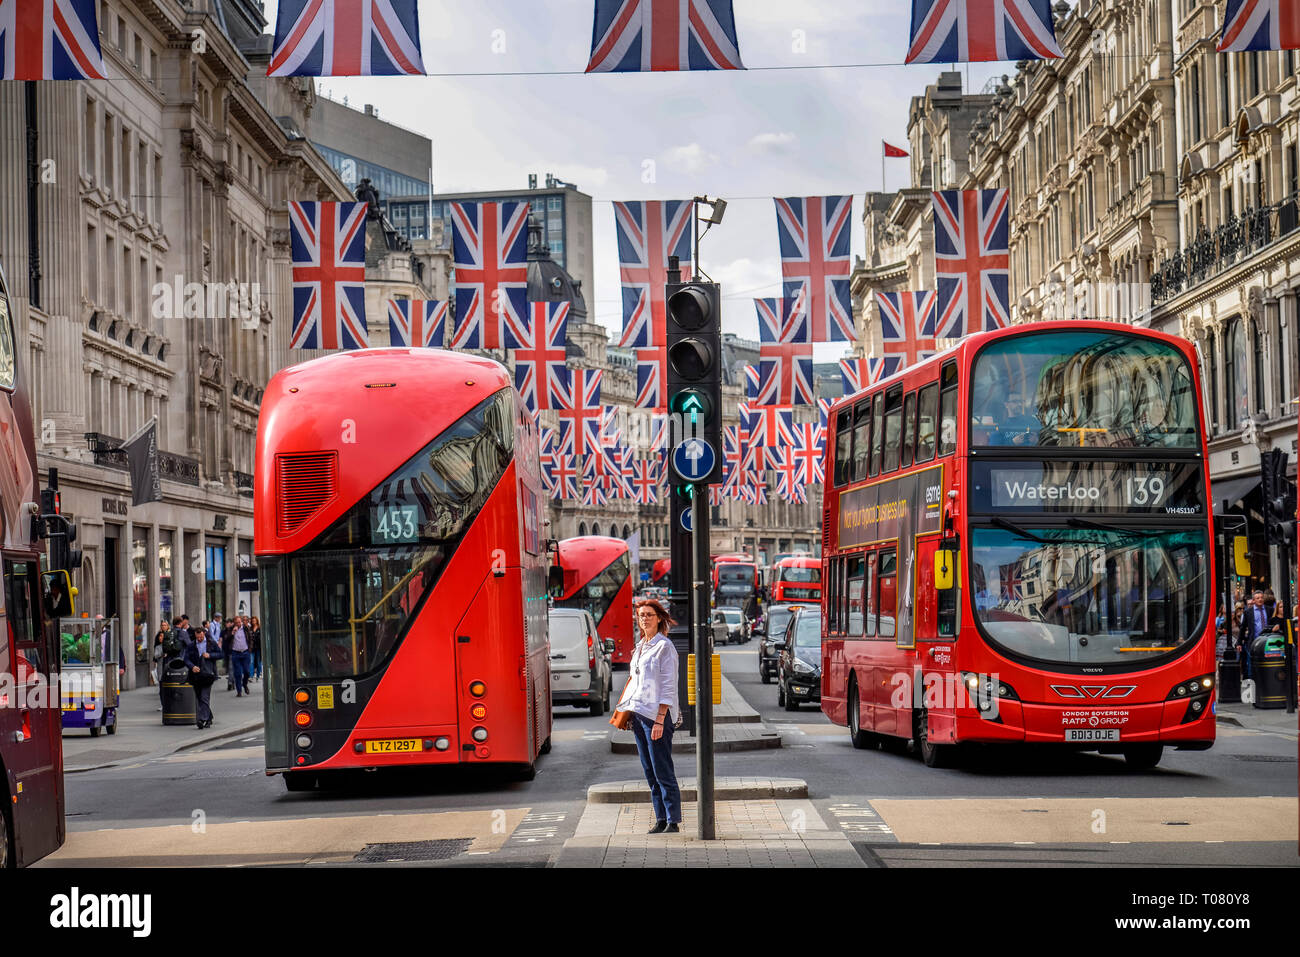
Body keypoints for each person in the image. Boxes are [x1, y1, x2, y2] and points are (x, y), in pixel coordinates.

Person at [616, 598, 681, 834]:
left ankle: (673, 820)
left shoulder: (665, 647)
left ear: (659, 618)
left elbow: (668, 686)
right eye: (641, 615)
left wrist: (661, 719)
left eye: (649, 615)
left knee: (663, 769)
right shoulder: (641, 646)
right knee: (649, 770)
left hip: (657, 717)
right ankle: (660, 818)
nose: (644, 618)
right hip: (639, 715)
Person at [183, 627, 222, 729]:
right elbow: (186, 659)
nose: (199, 639)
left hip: (208, 674)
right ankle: (209, 718)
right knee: (200, 697)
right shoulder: (191, 645)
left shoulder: (211, 643)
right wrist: (192, 667)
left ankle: (201, 719)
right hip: (196, 675)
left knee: (205, 697)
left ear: (204, 634)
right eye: (197, 637)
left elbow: (220, 654)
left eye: (201, 637)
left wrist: (210, 655)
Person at [229, 616, 251, 696]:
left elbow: (250, 638)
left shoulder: (245, 628)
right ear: (234, 623)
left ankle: (244, 684)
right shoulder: (231, 629)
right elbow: (227, 639)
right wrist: (232, 633)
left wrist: (249, 649)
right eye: (236, 622)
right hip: (236, 653)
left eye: (239, 622)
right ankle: (239, 691)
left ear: (241, 622)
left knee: (247, 671)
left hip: (245, 652)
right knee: (237, 673)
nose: (238, 624)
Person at [249, 616, 263, 681]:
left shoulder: (260, 628)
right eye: (252, 621)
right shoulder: (250, 628)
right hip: (252, 647)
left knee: (258, 661)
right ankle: (251, 676)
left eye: (254, 621)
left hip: (258, 647)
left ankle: (258, 675)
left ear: (257, 621)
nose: (253, 622)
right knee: (251, 661)